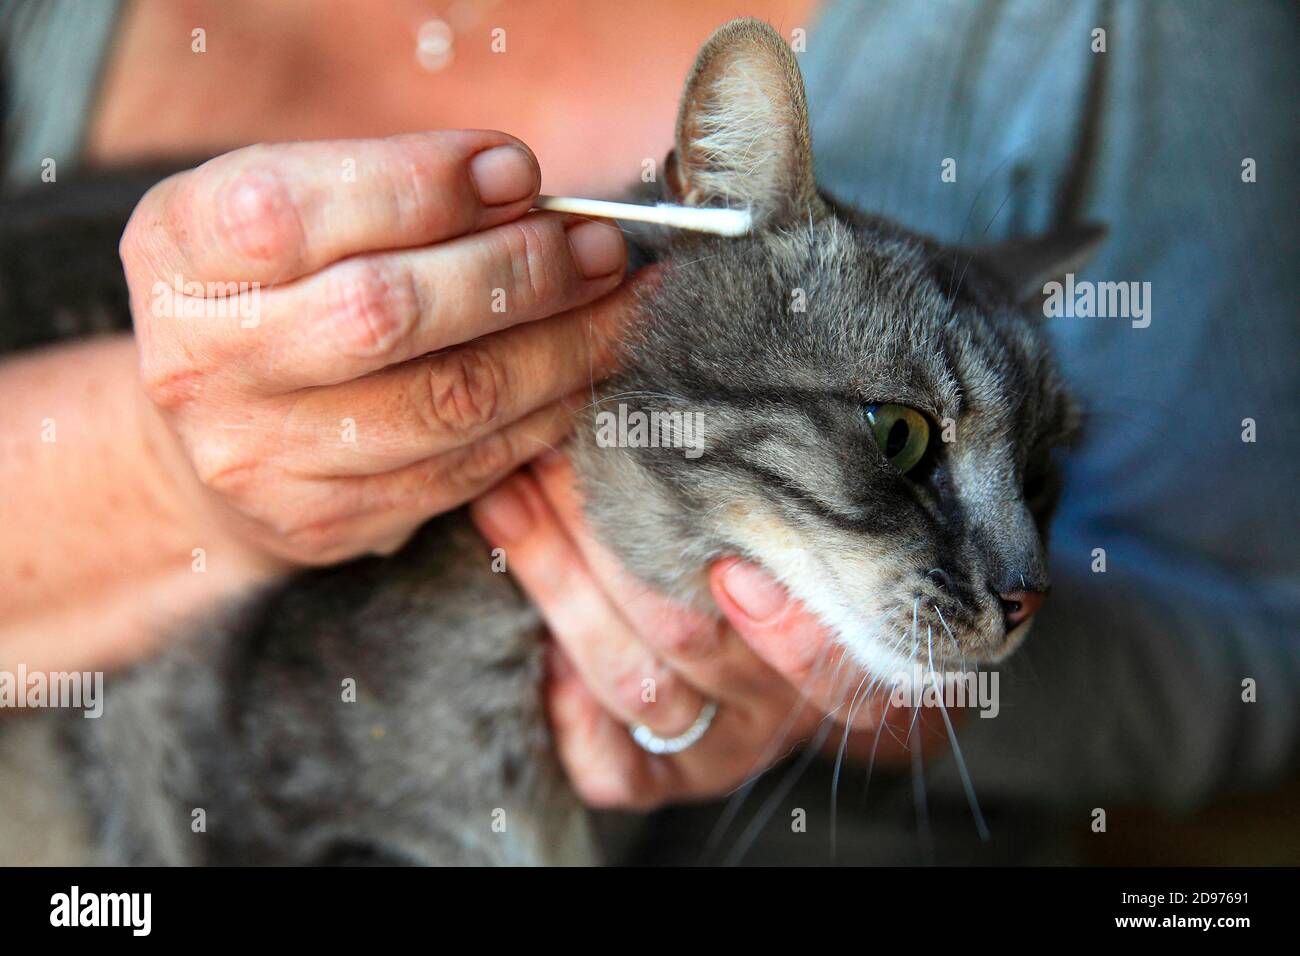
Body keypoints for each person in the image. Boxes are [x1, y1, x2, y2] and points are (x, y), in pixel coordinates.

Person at [1, 0, 1295, 863]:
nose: (1024, 585)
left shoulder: (1124, 36)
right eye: (904, 441)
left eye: (1035, 471)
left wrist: (865, 706)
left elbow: (1263, 653)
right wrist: (175, 481)